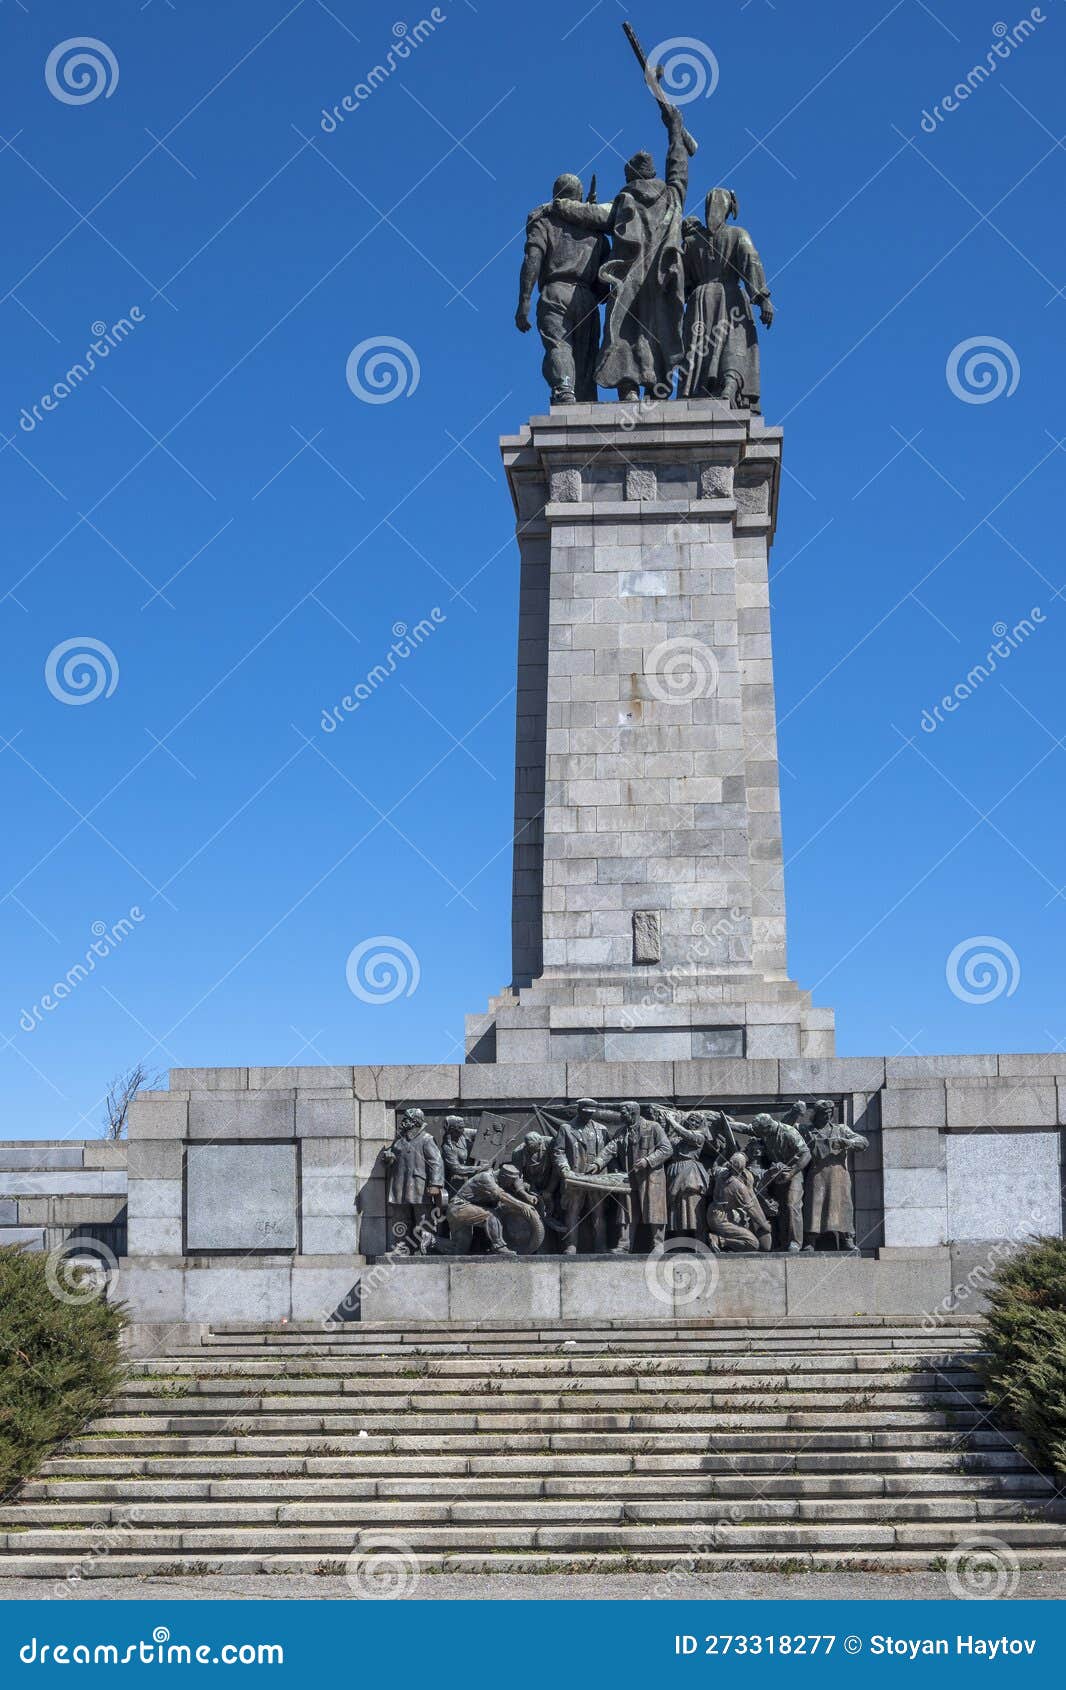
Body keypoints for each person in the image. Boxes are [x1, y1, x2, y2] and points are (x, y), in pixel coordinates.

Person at [551, 101, 689, 401]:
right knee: (658, 328)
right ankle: (657, 386)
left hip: (628, 277)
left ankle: (628, 388)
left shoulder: (624, 202)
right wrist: (675, 131)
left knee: (624, 330)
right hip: (661, 279)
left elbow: (593, 215)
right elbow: (678, 169)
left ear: (631, 177)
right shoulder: (672, 197)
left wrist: (561, 205)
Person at [515, 174, 609, 404]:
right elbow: (606, 279)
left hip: (555, 292)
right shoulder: (597, 233)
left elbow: (532, 260)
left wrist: (524, 300)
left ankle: (564, 389)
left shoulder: (544, 223)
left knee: (559, 344)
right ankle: (585, 401)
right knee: (586, 355)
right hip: (587, 298)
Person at [678, 187, 773, 409]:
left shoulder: (691, 242)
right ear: (728, 209)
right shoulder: (738, 234)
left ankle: (701, 390)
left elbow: (682, 280)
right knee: (735, 341)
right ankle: (729, 386)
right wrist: (762, 298)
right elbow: (751, 261)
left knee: (700, 345)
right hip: (730, 296)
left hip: (700, 300)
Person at [550, 1099, 624, 1254]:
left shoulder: (601, 1129)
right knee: (572, 1212)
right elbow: (558, 1152)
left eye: (591, 1113)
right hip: (574, 1177)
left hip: (596, 1178)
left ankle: (600, 1245)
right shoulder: (566, 1128)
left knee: (598, 1213)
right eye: (585, 1112)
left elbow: (609, 1152)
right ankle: (571, 1245)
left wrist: (614, 1170)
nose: (588, 1115)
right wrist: (565, 1169)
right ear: (579, 1110)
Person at [802, 1099, 868, 1252]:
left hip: (839, 1174)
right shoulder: (807, 1130)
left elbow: (863, 1142)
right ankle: (810, 1240)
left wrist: (847, 1142)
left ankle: (847, 1239)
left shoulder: (841, 1129)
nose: (827, 1116)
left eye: (830, 1113)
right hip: (817, 1173)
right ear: (816, 1114)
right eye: (824, 1113)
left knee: (843, 1206)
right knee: (814, 1206)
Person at [746, 1106, 811, 1252]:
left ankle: (795, 1242)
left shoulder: (789, 1133)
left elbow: (806, 1155)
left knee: (792, 1204)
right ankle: (782, 1242)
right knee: (780, 1208)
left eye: (761, 1132)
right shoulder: (764, 1131)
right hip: (776, 1173)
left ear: (768, 1127)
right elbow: (746, 1129)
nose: (759, 1135)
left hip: (794, 1171)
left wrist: (792, 1173)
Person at [610, 1101, 673, 1253]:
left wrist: (647, 1160)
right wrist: (610, 1167)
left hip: (651, 1178)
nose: (620, 1115)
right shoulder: (621, 1132)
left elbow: (667, 1149)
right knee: (626, 1213)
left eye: (623, 1112)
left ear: (633, 1112)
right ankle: (624, 1245)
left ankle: (658, 1246)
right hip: (629, 1179)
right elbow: (610, 1152)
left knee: (655, 1212)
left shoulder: (653, 1127)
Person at [382, 1108, 444, 1254]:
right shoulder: (400, 1139)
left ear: (415, 1121)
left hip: (419, 1186)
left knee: (423, 1218)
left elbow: (436, 1162)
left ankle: (428, 1246)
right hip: (399, 1185)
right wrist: (389, 1155)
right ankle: (401, 1247)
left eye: (407, 1119)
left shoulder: (426, 1139)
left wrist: (435, 1184)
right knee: (400, 1218)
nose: (403, 1122)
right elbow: (392, 1154)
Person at [445, 1164, 541, 1257]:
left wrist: (526, 1195)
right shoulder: (485, 1177)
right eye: (509, 1182)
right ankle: (499, 1246)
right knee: (490, 1215)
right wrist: (523, 1206)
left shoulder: (500, 1178)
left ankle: (431, 1238)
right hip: (459, 1207)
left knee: (458, 1250)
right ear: (503, 1176)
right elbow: (502, 1195)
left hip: (464, 1211)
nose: (509, 1185)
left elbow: (516, 1185)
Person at [706, 1152, 773, 1252]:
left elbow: (715, 1168)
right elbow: (751, 1210)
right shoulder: (738, 1186)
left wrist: (724, 1153)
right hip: (722, 1219)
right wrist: (765, 1225)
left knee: (743, 1218)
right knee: (753, 1244)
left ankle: (729, 1246)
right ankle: (719, 1240)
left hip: (713, 1211)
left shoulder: (721, 1173)